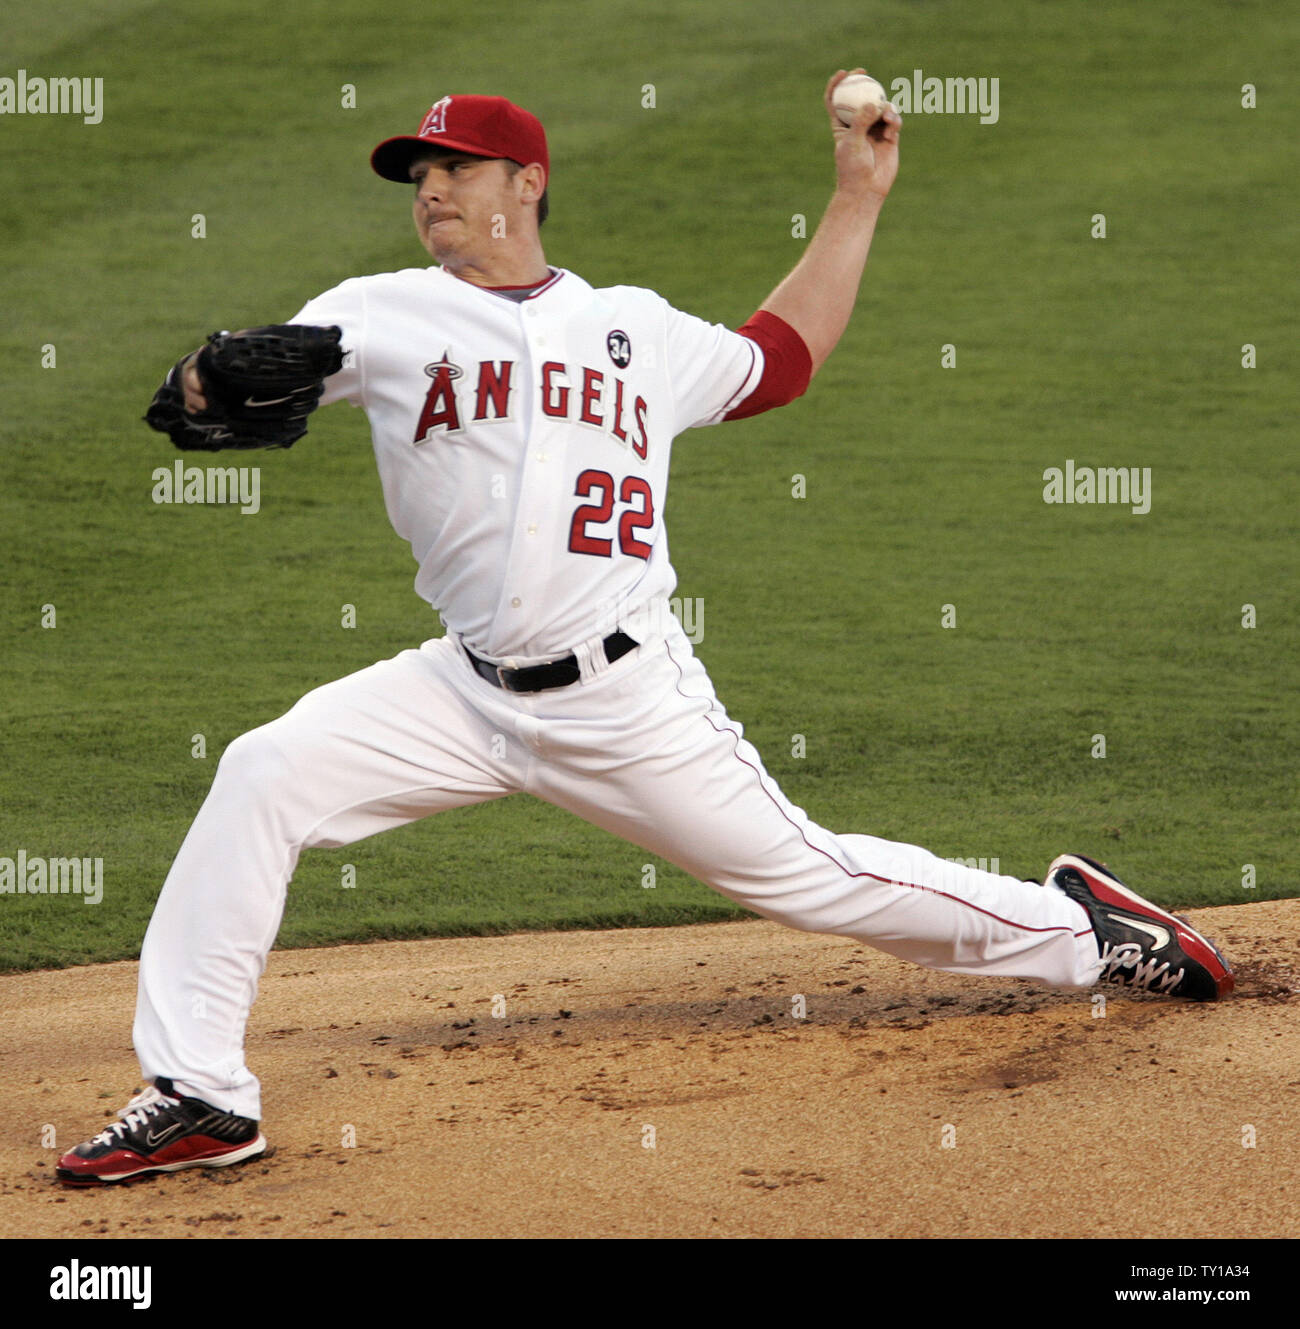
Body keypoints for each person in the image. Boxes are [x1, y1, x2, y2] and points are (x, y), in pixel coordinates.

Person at [57, 74, 1232, 1187]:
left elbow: (780, 363)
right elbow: (209, 402)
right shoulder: (375, 315)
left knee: (809, 878)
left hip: (625, 701)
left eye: (456, 168)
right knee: (264, 770)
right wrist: (204, 380)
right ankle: (202, 1092)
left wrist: (855, 196)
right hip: (459, 694)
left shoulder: (632, 327)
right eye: (417, 173)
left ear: (526, 182)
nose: (429, 190)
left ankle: (1083, 934)